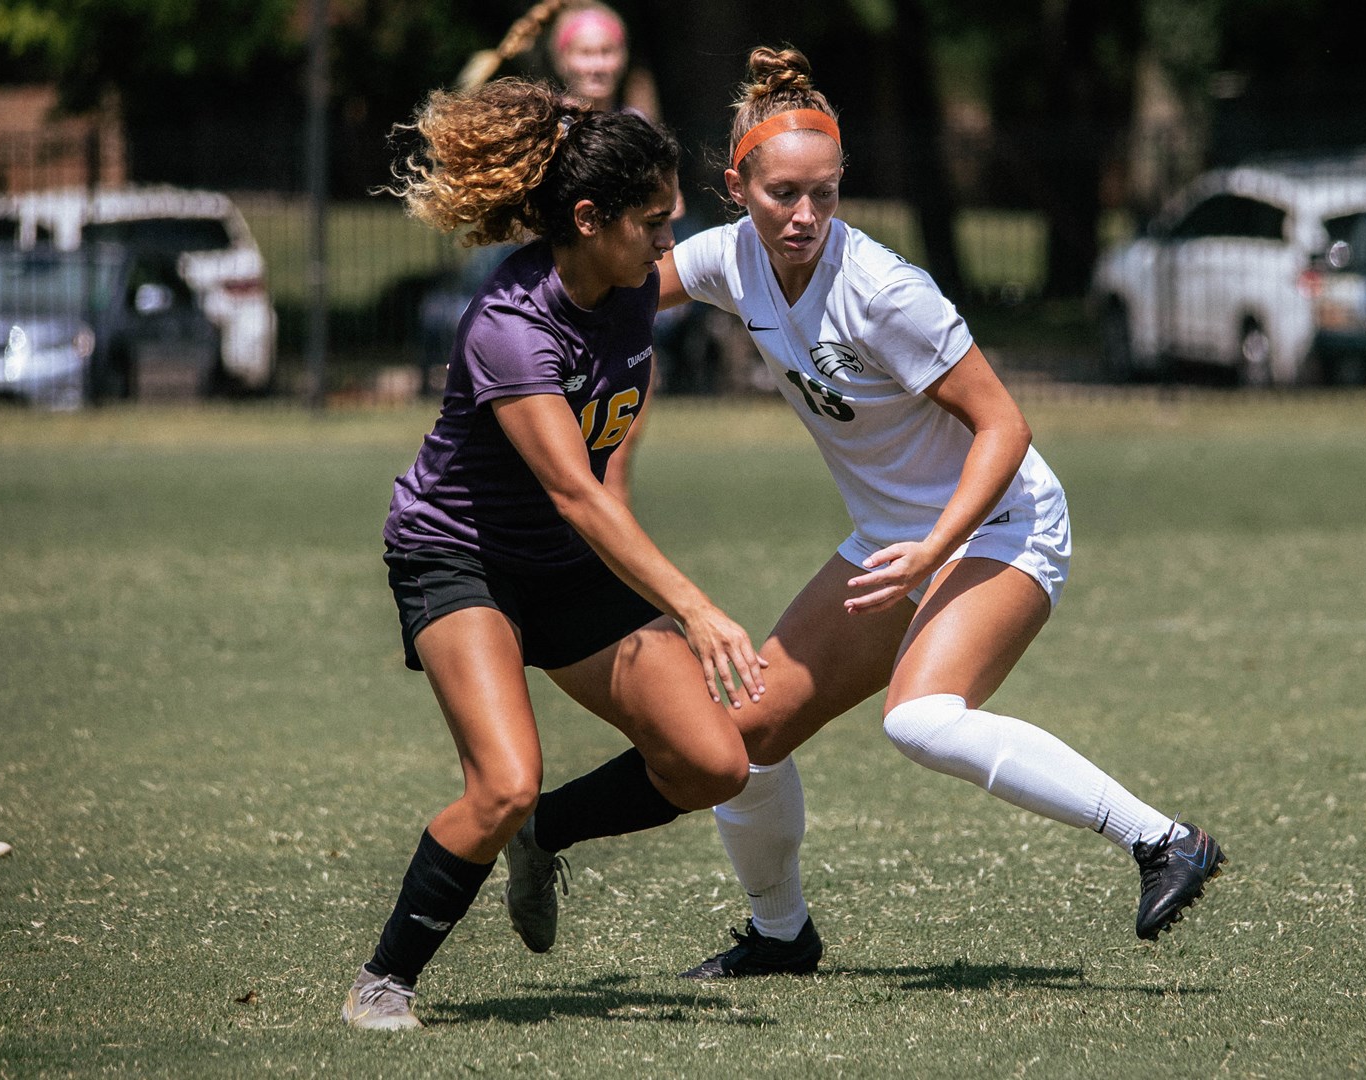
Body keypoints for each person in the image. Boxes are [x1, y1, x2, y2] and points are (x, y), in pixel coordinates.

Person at [503, 46, 1226, 980]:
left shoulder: (884, 293)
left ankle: (1164, 841)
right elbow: (605, 277)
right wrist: (520, 311)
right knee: (745, 740)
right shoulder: (728, 259)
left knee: (920, 718)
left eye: (825, 193)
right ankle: (779, 935)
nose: (804, 217)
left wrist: (932, 548)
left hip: (1002, 526)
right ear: (736, 187)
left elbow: (1004, 424)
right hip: (894, 543)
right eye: (782, 195)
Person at [343, 79, 766, 1031]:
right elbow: (576, 490)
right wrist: (695, 610)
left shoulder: (628, 291)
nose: (668, 243)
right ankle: (383, 982)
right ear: (589, 218)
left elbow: (602, 470)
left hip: (561, 559)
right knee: (501, 780)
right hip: (458, 557)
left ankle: (546, 837)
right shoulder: (510, 327)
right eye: (653, 224)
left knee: (713, 763)